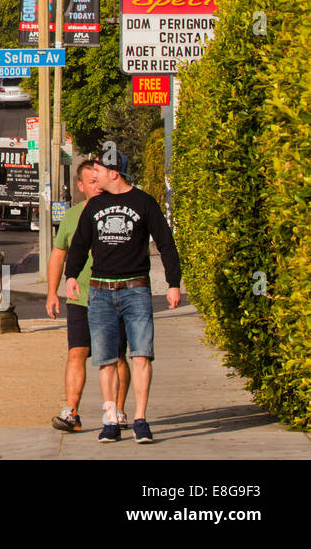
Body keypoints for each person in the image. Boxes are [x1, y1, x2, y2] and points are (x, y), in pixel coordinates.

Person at [64, 151, 182, 444]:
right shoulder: (94, 206)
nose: (95, 174)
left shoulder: (144, 203)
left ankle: (141, 419)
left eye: (99, 170)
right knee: (107, 358)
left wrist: (173, 283)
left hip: (136, 289)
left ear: (113, 173)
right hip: (101, 291)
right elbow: (79, 244)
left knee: (141, 354)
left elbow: (166, 243)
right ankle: (111, 418)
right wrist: (70, 276)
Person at [47, 159, 132, 433]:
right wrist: (52, 293)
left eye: (100, 180)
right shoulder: (72, 217)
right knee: (77, 352)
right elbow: (58, 255)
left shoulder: (120, 211)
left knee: (117, 356)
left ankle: (117, 410)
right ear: (81, 186)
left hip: (114, 293)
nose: (97, 186)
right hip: (80, 298)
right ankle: (71, 411)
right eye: (91, 182)